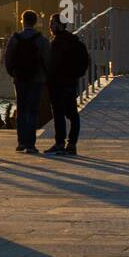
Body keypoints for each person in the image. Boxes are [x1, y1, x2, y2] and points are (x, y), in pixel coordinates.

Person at [3, 10, 51, 156]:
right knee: (33, 110)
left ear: (22, 21)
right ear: (35, 22)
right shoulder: (42, 40)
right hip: (37, 79)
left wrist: (14, 73)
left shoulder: (15, 39)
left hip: (20, 79)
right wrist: (45, 76)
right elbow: (48, 60)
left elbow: (8, 59)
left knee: (21, 109)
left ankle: (21, 142)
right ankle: (31, 144)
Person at [45, 15, 90, 157]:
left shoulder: (57, 43)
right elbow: (85, 60)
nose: (50, 26)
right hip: (71, 82)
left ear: (59, 25)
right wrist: (77, 74)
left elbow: (52, 64)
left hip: (58, 83)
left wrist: (49, 79)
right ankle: (72, 144)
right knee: (72, 114)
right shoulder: (75, 42)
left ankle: (59, 144)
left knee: (58, 114)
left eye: (52, 24)